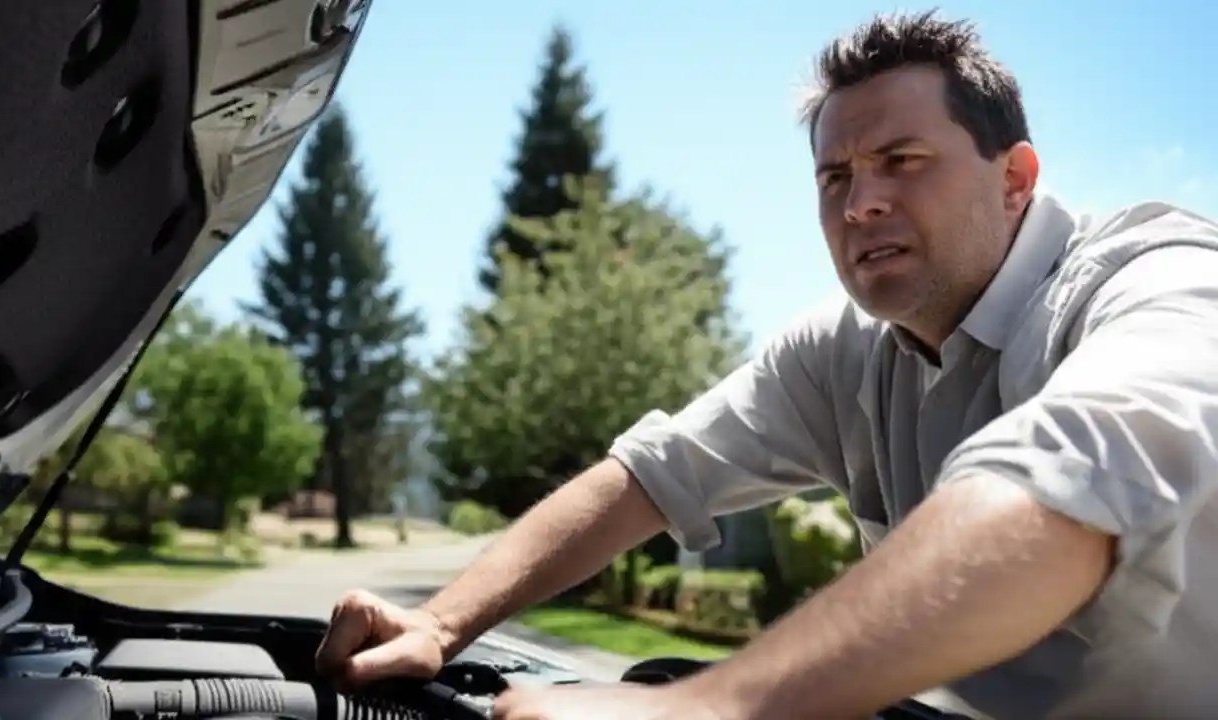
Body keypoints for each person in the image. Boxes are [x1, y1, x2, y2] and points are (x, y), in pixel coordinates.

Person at [315, 9, 1218, 719]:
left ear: (1016, 177)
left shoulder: (1162, 281)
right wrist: (438, 623)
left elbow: (1069, 477)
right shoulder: (842, 351)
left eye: (903, 161)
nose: (862, 203)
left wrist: (714, 707)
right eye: (836, 177)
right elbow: (653, 476)